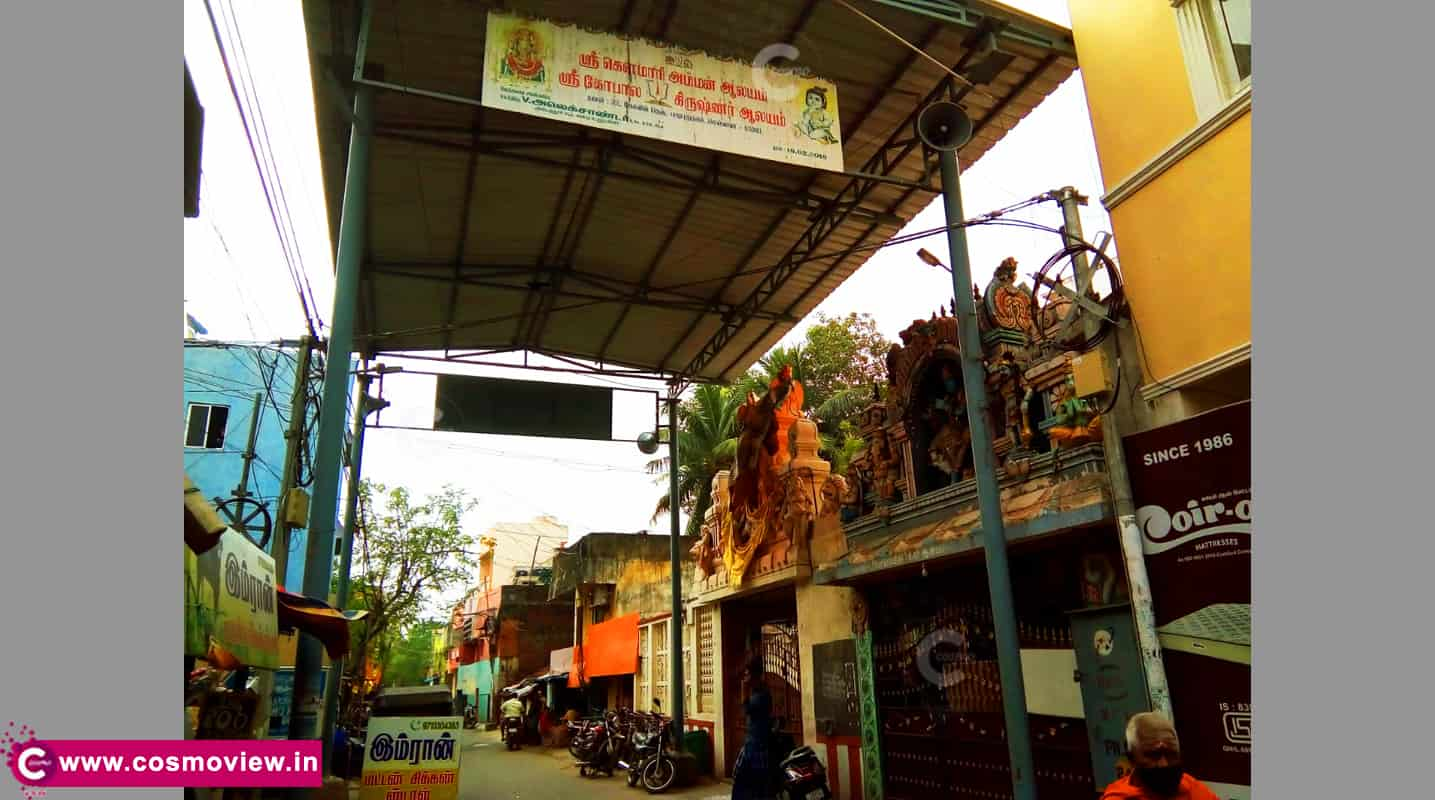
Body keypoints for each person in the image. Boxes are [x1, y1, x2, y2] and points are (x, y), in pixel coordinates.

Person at [1101, 712, 1221, 799]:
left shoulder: (1192, 789)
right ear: (1132, 758)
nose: (1164, 764)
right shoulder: (1119, 798)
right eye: (1153, 755)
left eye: (1171, 754)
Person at [731, 657, 776, 800]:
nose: (745, 677)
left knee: (750, 786)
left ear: (754, 675)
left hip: (758, 746)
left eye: (747, 674)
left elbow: (747, 710)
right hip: (753, 744)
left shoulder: (761, 695)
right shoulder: (758, 692)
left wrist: (744, 692)